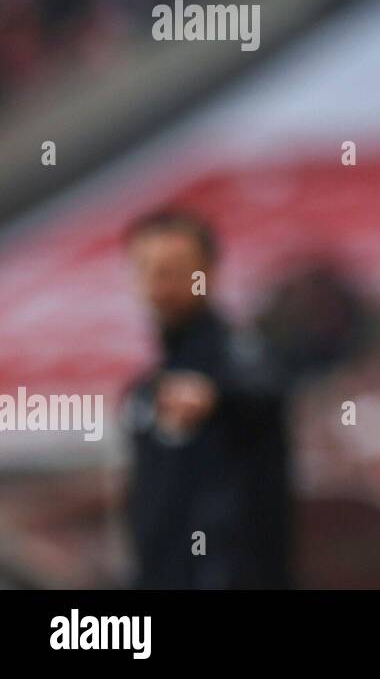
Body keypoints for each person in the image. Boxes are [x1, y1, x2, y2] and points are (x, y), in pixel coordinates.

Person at [123, 209, 292, 588]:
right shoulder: (146, 388)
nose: (158, 284)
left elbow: (261, 390)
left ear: (207, 272)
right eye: (147, 269)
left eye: (172, 270)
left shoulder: (239, 355)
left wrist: (214, 398)